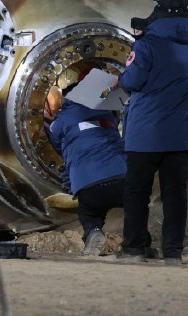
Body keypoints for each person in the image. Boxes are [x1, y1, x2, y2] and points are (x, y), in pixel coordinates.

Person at [118, 0, 188, 265]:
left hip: (146, 132)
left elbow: (132, 81)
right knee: (175, 194)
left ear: (159, 9)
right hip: (180, 133)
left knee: (137, 192)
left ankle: (134, 249)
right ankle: (173, 252)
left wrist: (123, 72)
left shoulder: (147, 45)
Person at [44, 84, 128, 256]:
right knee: (135, 208)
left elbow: (59, 149)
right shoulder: (108, 114)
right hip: (123, 177)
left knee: (89, 212)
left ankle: (93, 233)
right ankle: (139, 243)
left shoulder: (60, 121)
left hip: (90, 183)